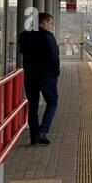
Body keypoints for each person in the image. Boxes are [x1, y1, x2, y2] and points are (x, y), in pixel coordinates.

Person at [18, 12, 60, 145]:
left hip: (30, 76)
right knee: (52, 102)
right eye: (50, 23)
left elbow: (24, 52)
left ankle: (34, 137)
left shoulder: (24, 35)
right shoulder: (48, 36)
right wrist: (56, 71)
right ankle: (43, 131)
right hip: (46, 76)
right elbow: (54, 56)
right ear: (42, 22)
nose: (51, 26)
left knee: (33, 105)